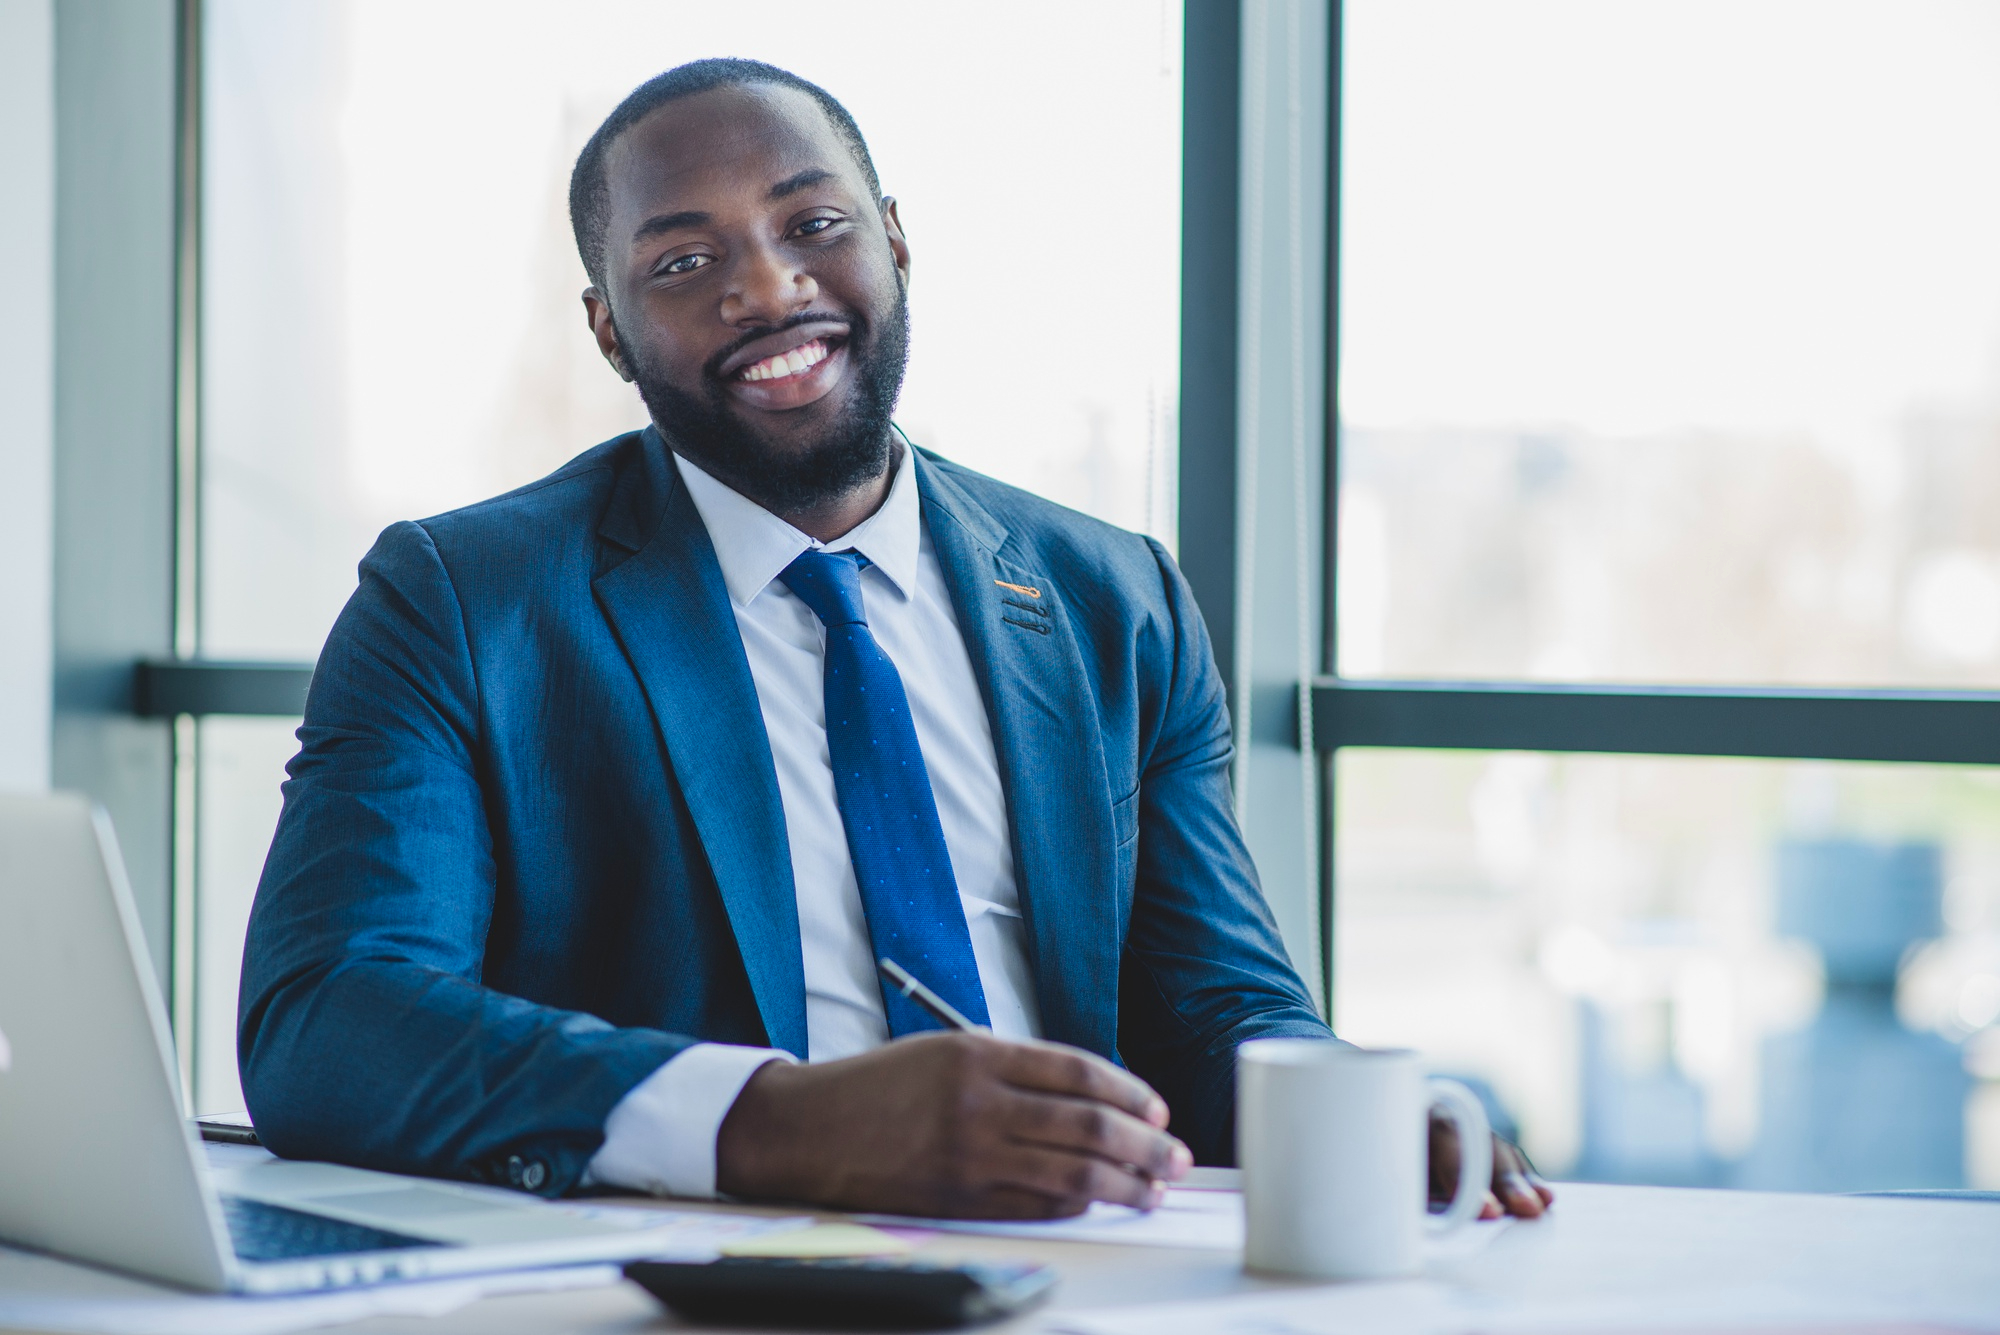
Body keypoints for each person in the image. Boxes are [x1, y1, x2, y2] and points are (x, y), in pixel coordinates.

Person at [238, 58, 1553, 1222]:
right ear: (607, 327)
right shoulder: (464, 599)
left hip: (1084, 1268)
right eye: (685, 263)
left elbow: (1222, 1010)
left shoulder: (1115, 601)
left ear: (897, 243)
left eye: (814, 223)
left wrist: (1362, 1107)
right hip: (701, 1291)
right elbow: (327, 1021)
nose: (768, 286)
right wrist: (775, 1122)